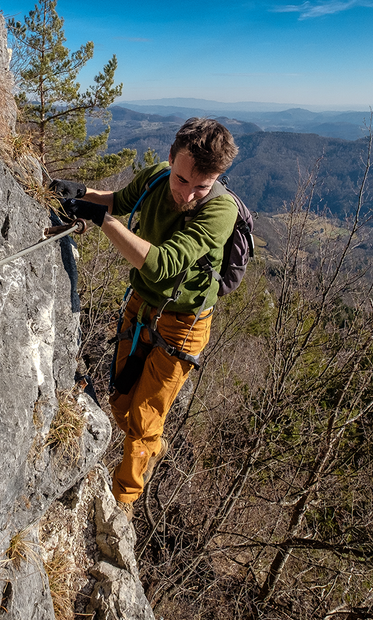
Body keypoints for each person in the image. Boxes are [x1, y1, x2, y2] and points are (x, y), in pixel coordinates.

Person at [51, 118, 239, 511]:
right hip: (142, 305)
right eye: (183, 179)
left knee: (142, 418)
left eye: (201, 186)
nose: (188, 195)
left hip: (185, 323)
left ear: (217, 178)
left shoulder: (220, 211)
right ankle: (153, 446)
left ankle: (122, 504)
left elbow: (163, 264)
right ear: (171, 158)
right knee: (120, 403)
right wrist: (83, 193)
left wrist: (102, 220)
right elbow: (120, 200)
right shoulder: (156, 178)